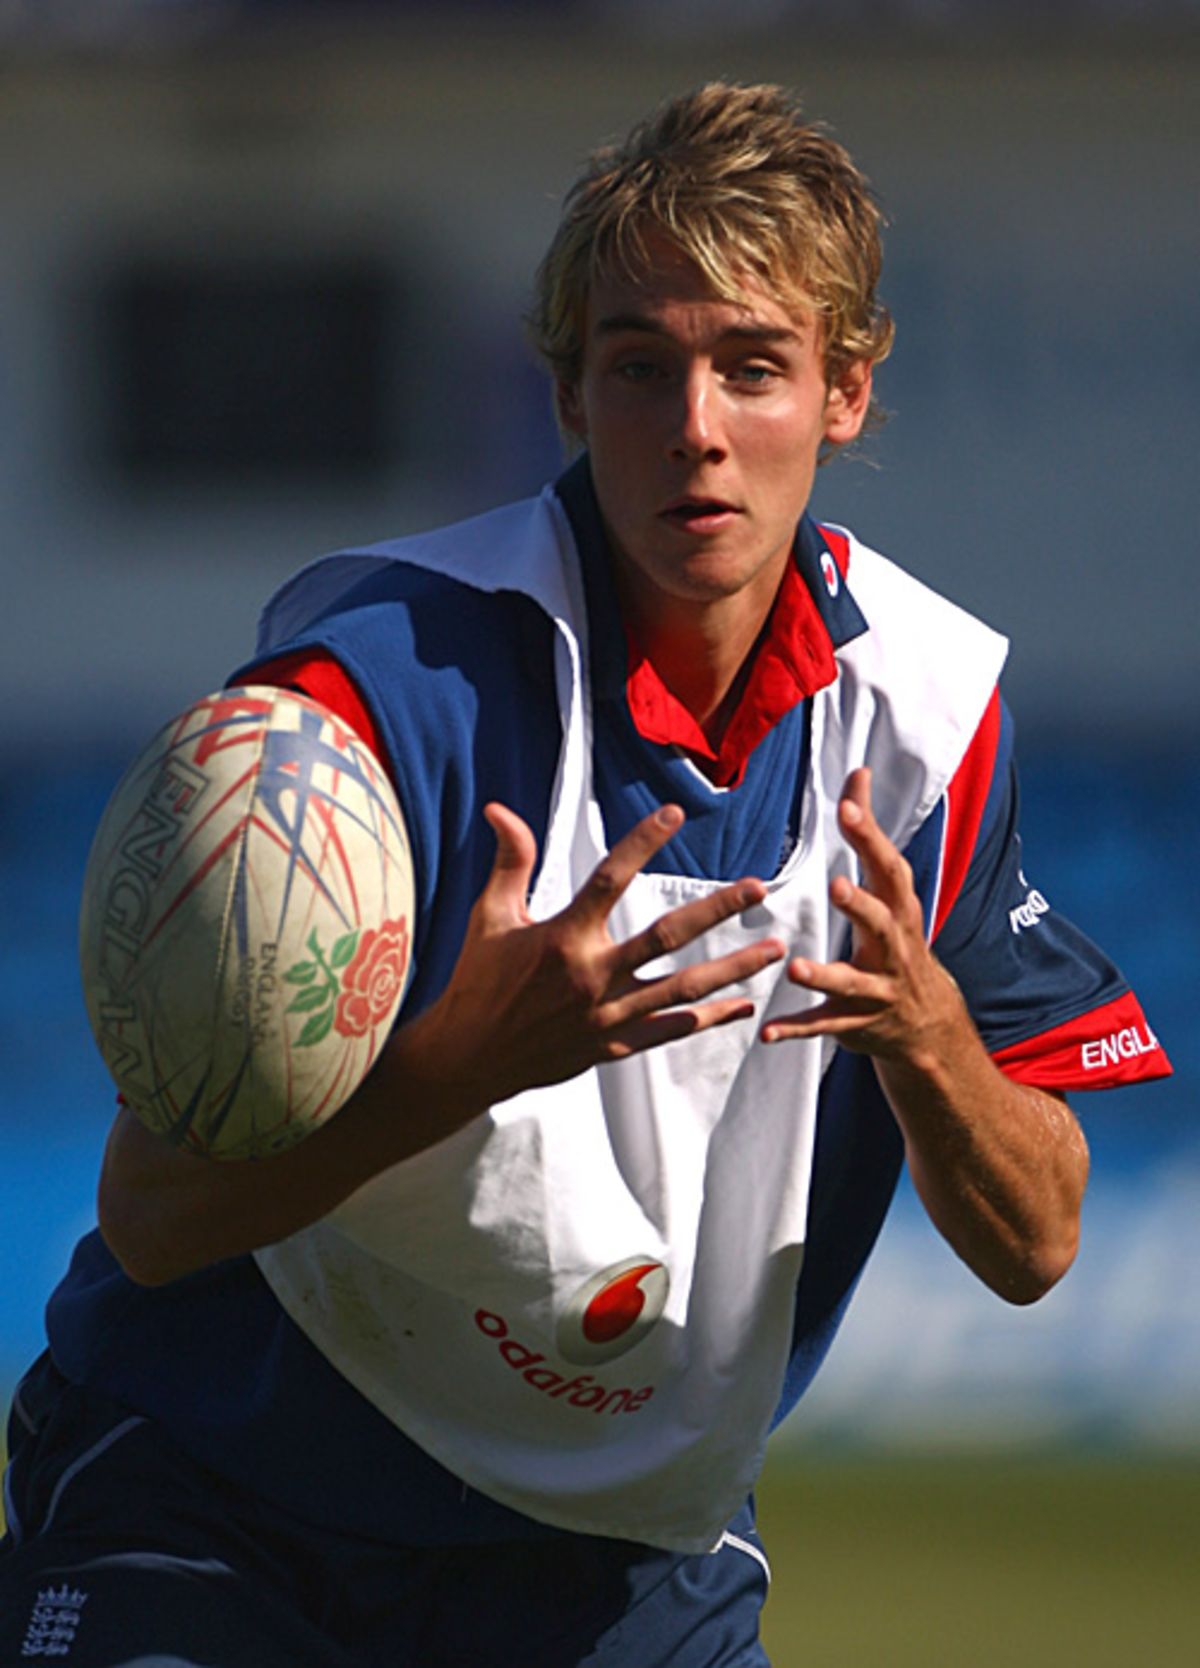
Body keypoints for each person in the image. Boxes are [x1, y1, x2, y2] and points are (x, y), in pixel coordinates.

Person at [0, 82, 1170, 1667]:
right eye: (641, 365)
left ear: (847, 392)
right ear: (566, 391)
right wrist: (471, 1059)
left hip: (618, 1560)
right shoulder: (381, 693)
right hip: (226, 1480)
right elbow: (151, 1215)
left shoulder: (934, 727)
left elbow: (1036, 1245)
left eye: (753, 366)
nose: (694, 424)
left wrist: (928, 1037)